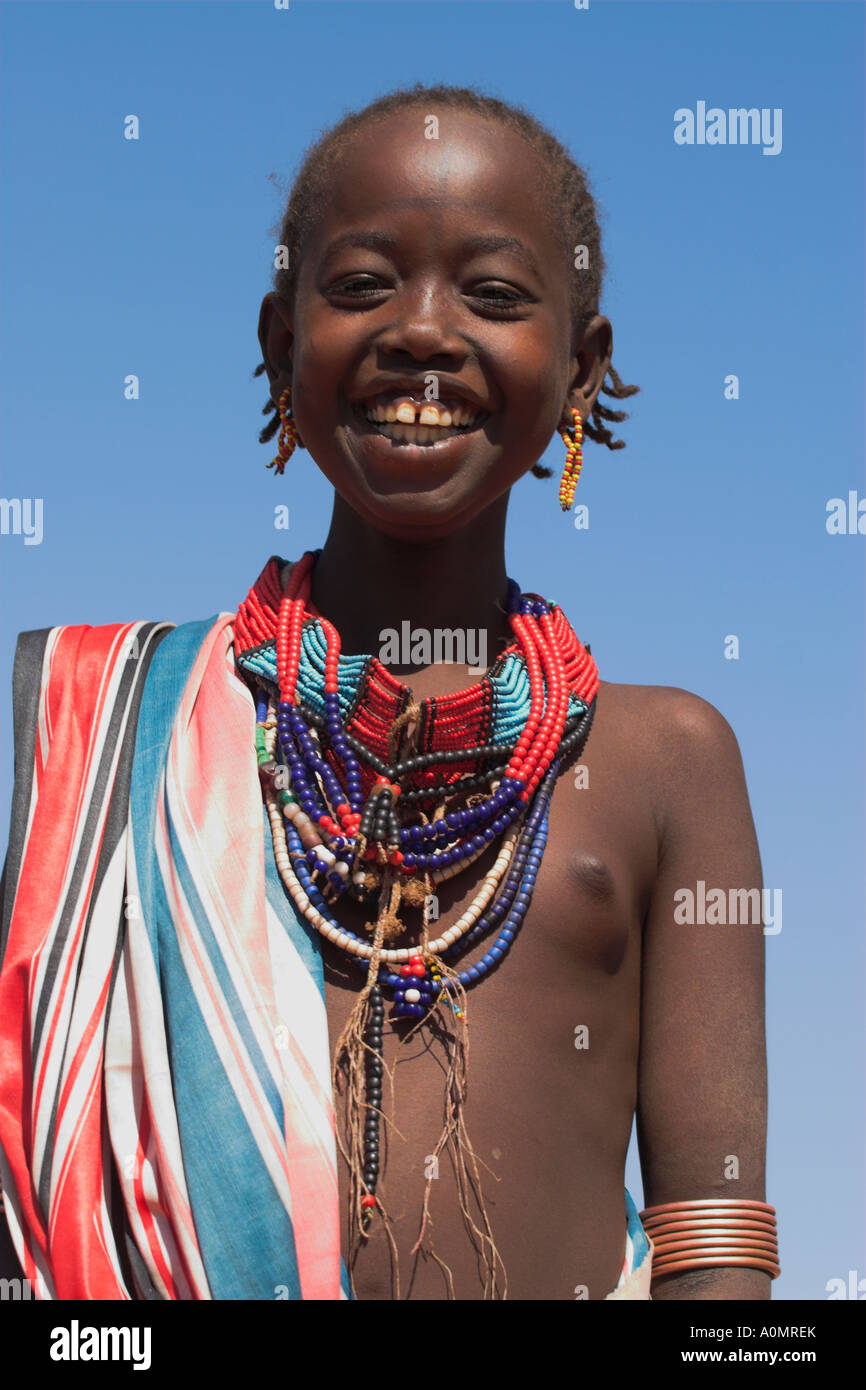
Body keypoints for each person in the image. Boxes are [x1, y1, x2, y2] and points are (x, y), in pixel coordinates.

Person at [0, 83, 778, 1301]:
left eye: (493, 294)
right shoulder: (116, 732)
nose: (421, 330)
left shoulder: (662, 761)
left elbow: (716, 1231)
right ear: (278, 345)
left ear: (579, 370)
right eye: (362, 284)